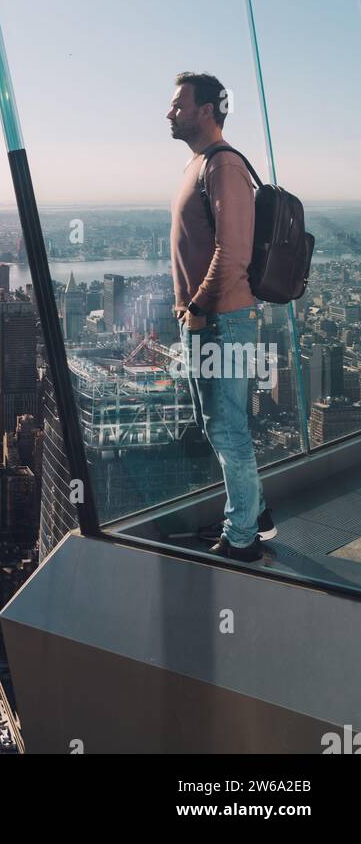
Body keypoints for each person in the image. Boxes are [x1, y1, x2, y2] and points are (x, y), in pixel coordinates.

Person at [167, 71, 277, 561]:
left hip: (221, 321)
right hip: (208, 320)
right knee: (215, 423)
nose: (169, 112)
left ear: (206, 109)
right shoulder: (198, 164)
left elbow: (232, 253)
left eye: (178, 104)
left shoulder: (223, 165)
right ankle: (254, 512)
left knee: (227, 426)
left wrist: (196, 309)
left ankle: (242, 539)